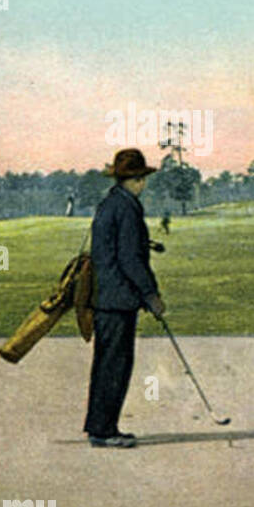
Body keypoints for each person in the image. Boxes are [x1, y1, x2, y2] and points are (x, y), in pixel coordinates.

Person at [84, 148, 165, 448]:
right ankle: (104, 431)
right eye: (140, 179)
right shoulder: (127, 208)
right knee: (115, 366)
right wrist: (150, 294)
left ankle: (100, 427)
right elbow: (130, 259)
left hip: (107, 298)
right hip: (118, 301)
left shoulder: (110, 204)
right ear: (130, 180)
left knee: (107, 363)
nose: (143, 184)